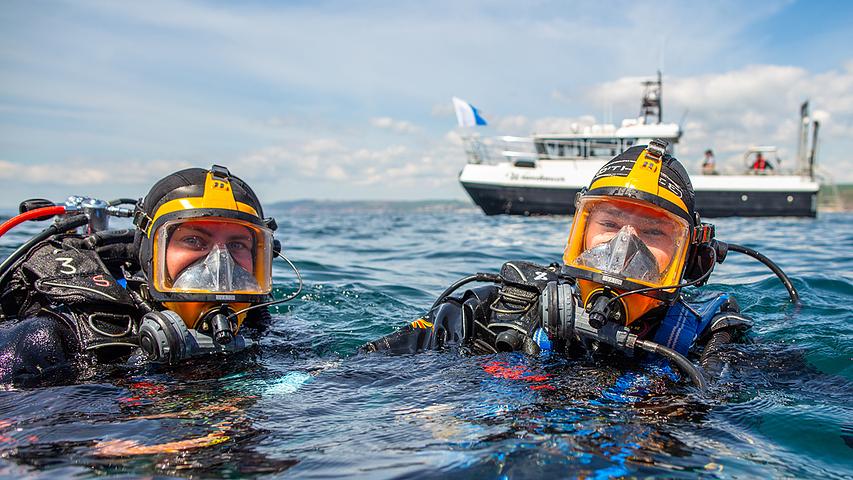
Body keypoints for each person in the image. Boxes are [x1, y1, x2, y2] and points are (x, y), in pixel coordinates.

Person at [362, 140, 796, 388]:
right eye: (609, 223)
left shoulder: (711, 339)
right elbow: (355, 377)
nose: (625, 246)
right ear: (581, 231)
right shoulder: (499, 309)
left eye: (654, 231)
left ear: (690, 257)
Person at [0, 165, 291, 385]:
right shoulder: (51, 339)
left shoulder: (262, 327)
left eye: (238, 244)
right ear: (150, 253)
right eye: (194, 240)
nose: (219, 263)